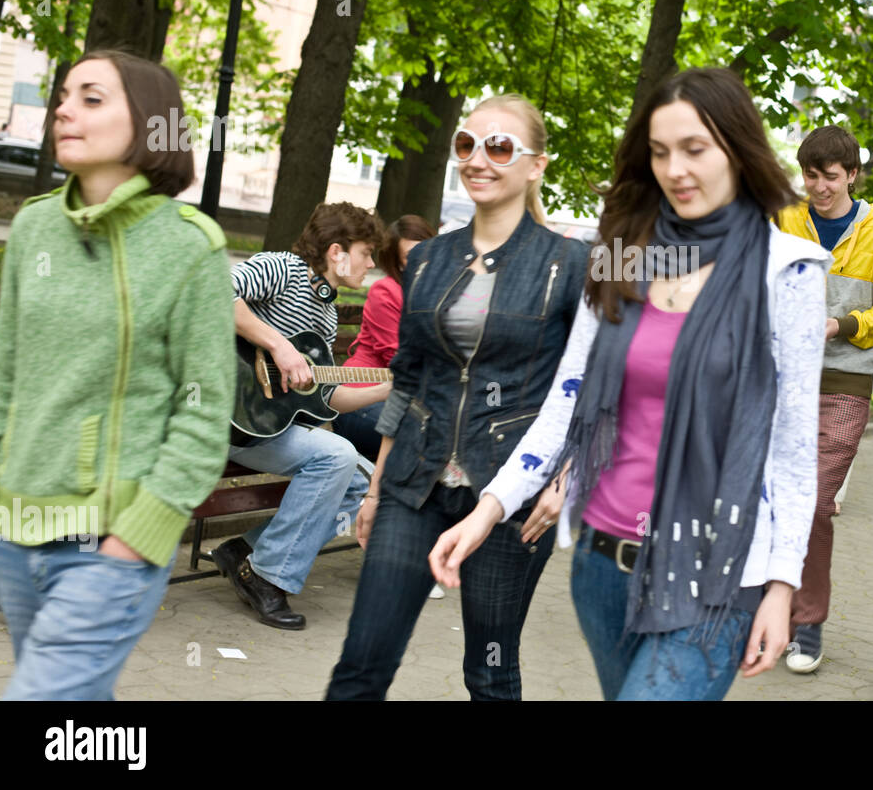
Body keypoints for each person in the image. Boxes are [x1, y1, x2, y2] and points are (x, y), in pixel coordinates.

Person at [429, 67, 830, 701]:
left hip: (713, 577)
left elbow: (791, 450)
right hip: (601, 567)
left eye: (695, 149)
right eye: (661, 152)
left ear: (736, 147)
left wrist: (783, 587)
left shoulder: (788, 273)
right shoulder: (625, 257)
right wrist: (489, 509)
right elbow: (566, 405)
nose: (676, 169)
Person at [326, 94, 590, 701]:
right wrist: (373, 489)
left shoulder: (569, 265)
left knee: (489, 671)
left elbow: (593, 387)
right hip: (412, 484)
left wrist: (564, 478)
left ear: (536, 166)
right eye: (467, 144)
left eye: (500, 147)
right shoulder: (430, 260)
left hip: (511, 491)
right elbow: (410, 380)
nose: (478, 159)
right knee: (361, 663)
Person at [0, 50, 235, 699]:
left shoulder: (191, 244)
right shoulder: (36, 226)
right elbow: (6, 378)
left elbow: (204, 410)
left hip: (108, 548)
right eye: (64, 96)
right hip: (13, 537)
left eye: (92, 98)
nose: (64, 110)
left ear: (150, 123)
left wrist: (138, 535)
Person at [210, 202, 389, 630]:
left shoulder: (326, 314)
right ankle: (269, 578)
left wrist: (391, 387)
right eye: (366, 253)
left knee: (360, 484)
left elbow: (325, 398)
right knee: (337, 456)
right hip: (228, 415)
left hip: (266, 428)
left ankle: (246, 553)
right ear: (336, 252)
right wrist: (278, 345)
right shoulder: (281, 268)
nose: (371, 264)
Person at [775, 125, 873, 672]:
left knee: (812, 501)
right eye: (811, 175)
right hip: (782, 379)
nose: (820, 187)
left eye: (831, 176)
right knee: (777, 498)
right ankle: (769, 608)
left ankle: (807, 622)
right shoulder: (785, 219)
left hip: (844, 385)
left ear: (852, 174)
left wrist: (844, 323)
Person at [331, 214, 435, 461]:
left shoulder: (445, 293)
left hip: (413, 403)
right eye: (412, 256)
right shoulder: (385, 291)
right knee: (427, 437)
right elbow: (400, 360)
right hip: (361, 399)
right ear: (397, 262)